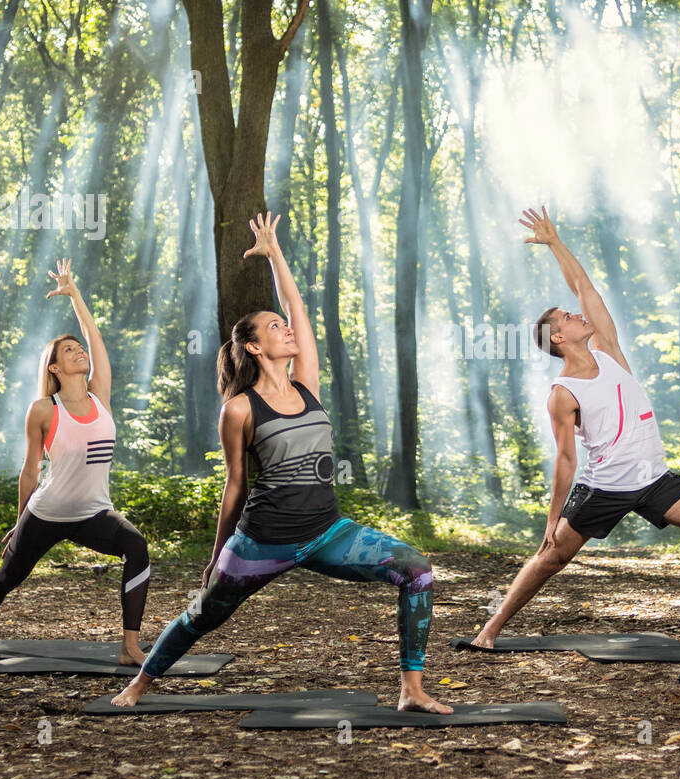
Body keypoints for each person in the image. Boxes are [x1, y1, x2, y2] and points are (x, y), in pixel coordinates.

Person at [113, 212, 450, 713]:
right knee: (204, 614)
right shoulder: (240, 408)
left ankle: (412, 689)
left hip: (327, 532)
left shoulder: (306, 386)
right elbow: (235, 485)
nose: (286, 329)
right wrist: (219, 551)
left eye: (284, 325)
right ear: (253, 346)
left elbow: (297, 307)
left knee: (417, 571)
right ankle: (140, 683)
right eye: (274, 327)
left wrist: (275, 255)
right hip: (261, 542)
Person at [468, 206, 680, 649]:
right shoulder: (562, 393)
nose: (577, 315)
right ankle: (490, 629)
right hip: (604, 487)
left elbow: (584, 287)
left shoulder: (608, 352)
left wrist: (554, 242)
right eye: (566, 318)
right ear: (559, 339)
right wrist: (552, 517)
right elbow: (566, 458)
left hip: (654, 480)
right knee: (552, 557)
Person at [0, 260, 150, 665]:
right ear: (54, 367)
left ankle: (129, 647)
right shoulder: (43, 410)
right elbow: (30, 470)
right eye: (69, 351)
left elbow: (96, 336)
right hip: (46, 511)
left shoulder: (100, 397)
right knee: (7, 577)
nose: (79, 352)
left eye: (78, 348)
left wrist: (75, 294)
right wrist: (20, 522)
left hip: (93, 512)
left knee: (136, 547)